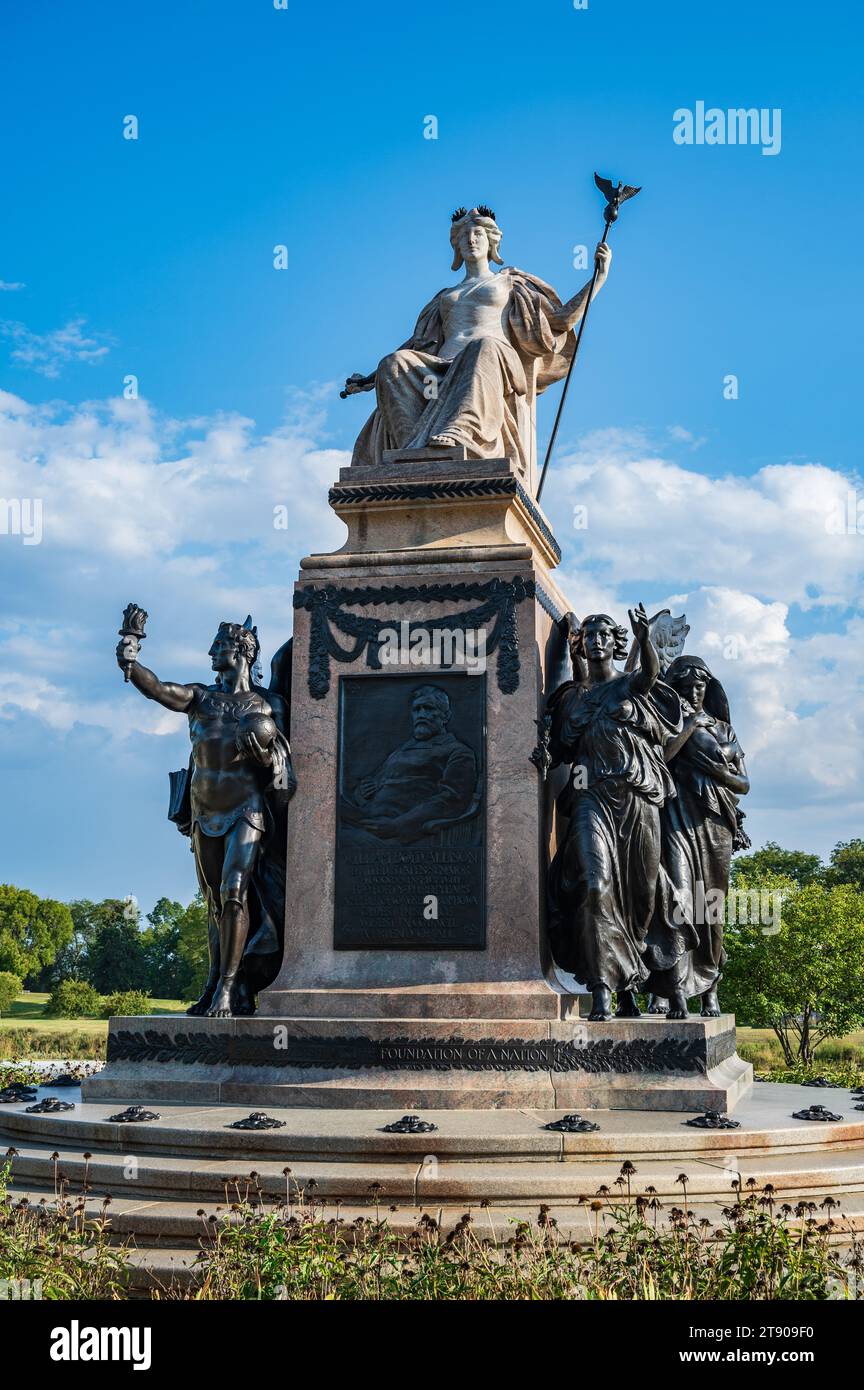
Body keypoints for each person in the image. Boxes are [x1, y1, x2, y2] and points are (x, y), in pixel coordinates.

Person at [342, 206, 611, 478]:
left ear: (492, 242)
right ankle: (414, 448)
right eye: (465, 236)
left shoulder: (510, 284)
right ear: (456, 246)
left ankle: (461, 429)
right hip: (441, 367)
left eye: (478, 234)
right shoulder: (445, 296)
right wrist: (369, 379)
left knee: (483, 345)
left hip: (493, 361)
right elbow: (417, 344)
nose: (471, 240)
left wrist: (597, 280)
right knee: (393, 362)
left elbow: (560, 321)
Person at [115, 617, 295, 1018]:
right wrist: (130, 653)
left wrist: (264, 754)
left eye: (219, 646)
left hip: (246, 811)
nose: (212, 653)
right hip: (204, 813)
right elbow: (158, 689)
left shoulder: (269, 705)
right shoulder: (200, 698)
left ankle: (228, 991)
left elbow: (283, 770)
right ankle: (217, 981)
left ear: (242, 650)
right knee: (215, 902)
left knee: (234, 891)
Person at [546, 606, 684, 1021]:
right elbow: (557, 749)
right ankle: (602, 986)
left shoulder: (630, 686)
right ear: (582, 645)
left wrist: (645, 640)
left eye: (604, 634)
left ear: (616, 642)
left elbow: (649, 676)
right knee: (594, 883)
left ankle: (631, 984)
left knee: (640, 899)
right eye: (589, 635)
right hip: (592, 800)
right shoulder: (573, 699)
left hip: (638, 800)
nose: (596, 640)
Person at [645, 655, 750, 1018]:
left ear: (709, 687)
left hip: (716, 823)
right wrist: (689, 725)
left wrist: (714, 770)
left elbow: (745, 783)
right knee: (675, 898)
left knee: (712, 908)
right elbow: (660, 757)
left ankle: (709, 989)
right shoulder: (667, 721)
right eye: (685, 686)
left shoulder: (725, 730)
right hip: (674, 816)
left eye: (699, 685)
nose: (693, 691)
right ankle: (667, 987)